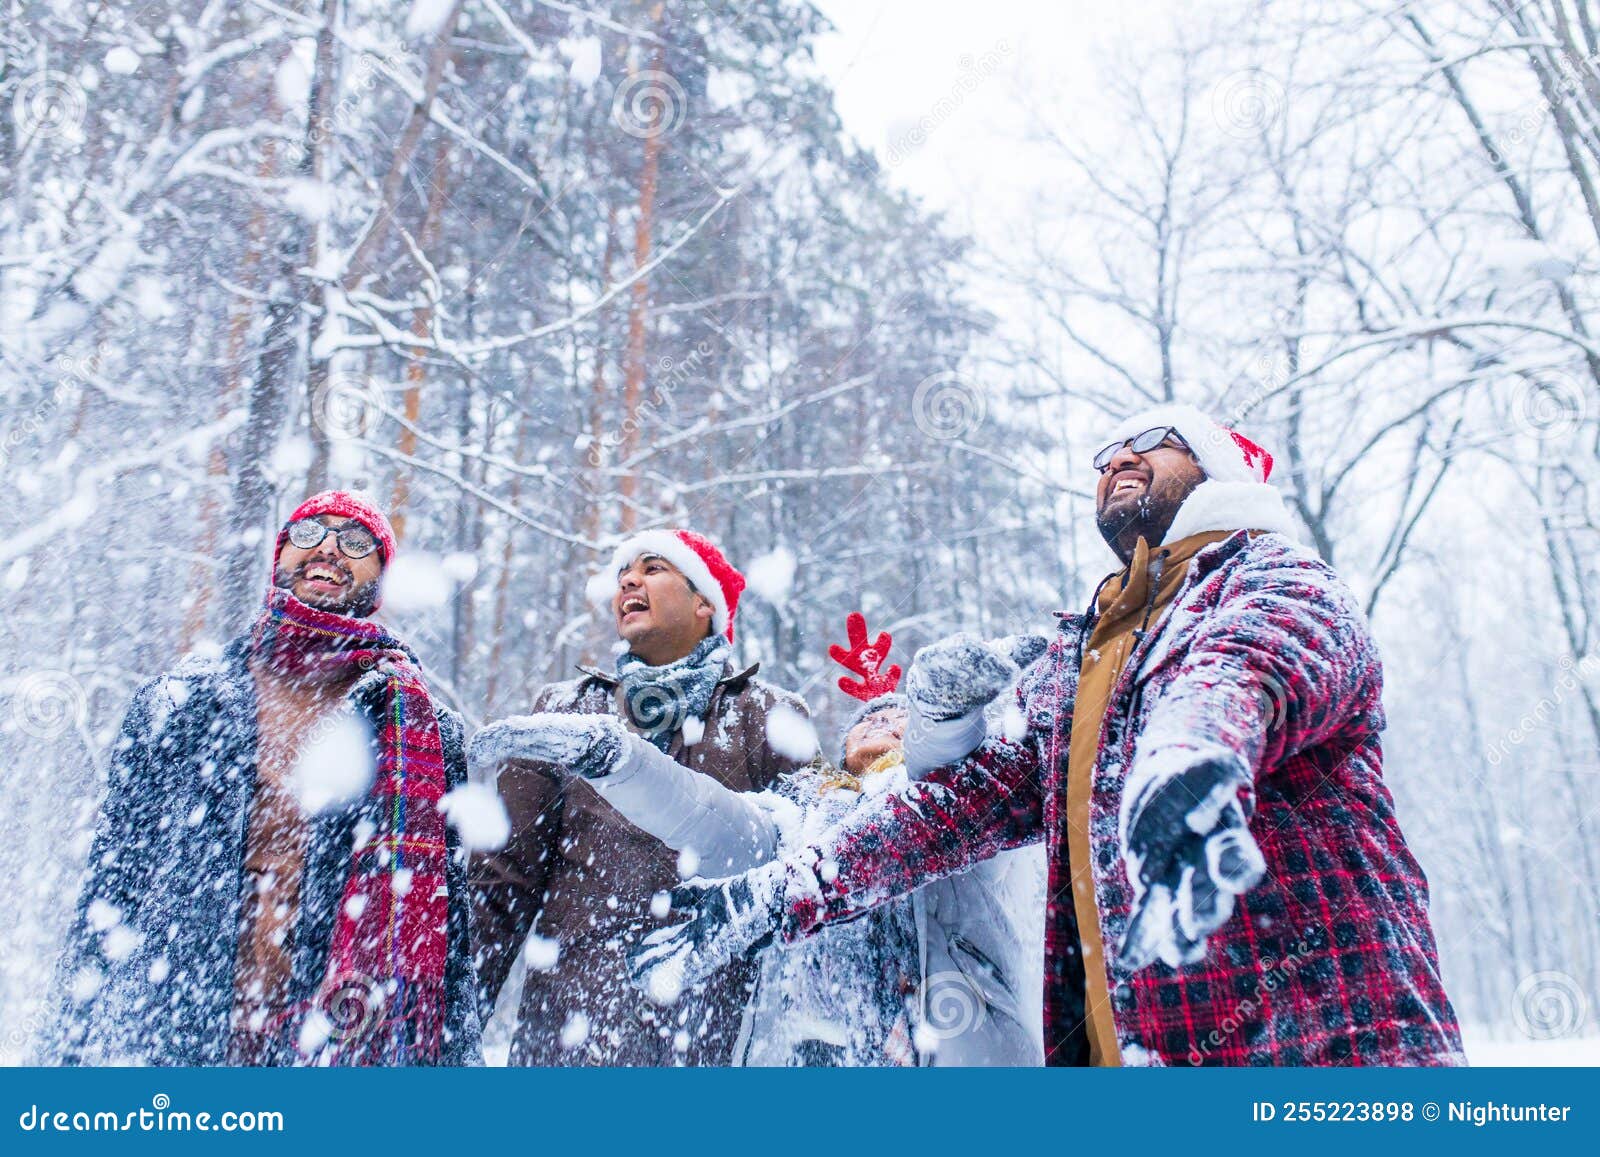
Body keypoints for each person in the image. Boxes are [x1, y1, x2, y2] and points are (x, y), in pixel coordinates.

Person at [629, 405, 1466, 1067]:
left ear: (1216, 469)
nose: (1117, 460)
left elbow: (1244, 669)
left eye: (1152, 440)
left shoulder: (1268, 576)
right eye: (1104, 456)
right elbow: (945, 812)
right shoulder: (1081, 658)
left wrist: (1185, 765)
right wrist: (778, 893)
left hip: (1331, 1055)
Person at [474, 612, 1045, 1066]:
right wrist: (618, 761)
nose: (877, 720)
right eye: (864, 718)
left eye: (896, 717)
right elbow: (707, 815)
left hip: (943, 1050)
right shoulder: (798, 814)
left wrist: (943, 711)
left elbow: (939, 763)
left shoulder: (956, 798)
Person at [45, 491, 481, 1066]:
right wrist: (63, 1046)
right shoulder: (182, 702)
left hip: (334, 1029)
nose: (327, 546)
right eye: (309, 533)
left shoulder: (418, 726)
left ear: (380, 580)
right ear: (280, 558)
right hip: (179, 1013)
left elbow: (443, 920)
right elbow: (114, 880)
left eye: (355, 541)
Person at [468, 528, 811, 1065]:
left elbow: (802, 877)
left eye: (654, 568)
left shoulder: (769, 716)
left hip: (712, 1031)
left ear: (704, 603)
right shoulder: (563, 710)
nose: (628, 579)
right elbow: (503, 879)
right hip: (568, 1026)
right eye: (624, 572)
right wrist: (455, 1015)